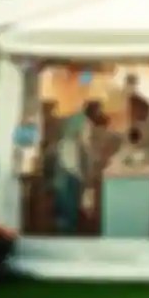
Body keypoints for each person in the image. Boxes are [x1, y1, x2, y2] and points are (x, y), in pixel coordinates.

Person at [53, 100, 109, 234]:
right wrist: (96, 157)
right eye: (98, 111)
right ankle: (69, 229)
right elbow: (86, 144)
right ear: (92, 111)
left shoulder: (74, 119)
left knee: (64, 195)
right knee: (71, 197)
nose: (99, 114)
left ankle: (63, 226)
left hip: (62, 161)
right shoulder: (85, 122)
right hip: (71, 164)